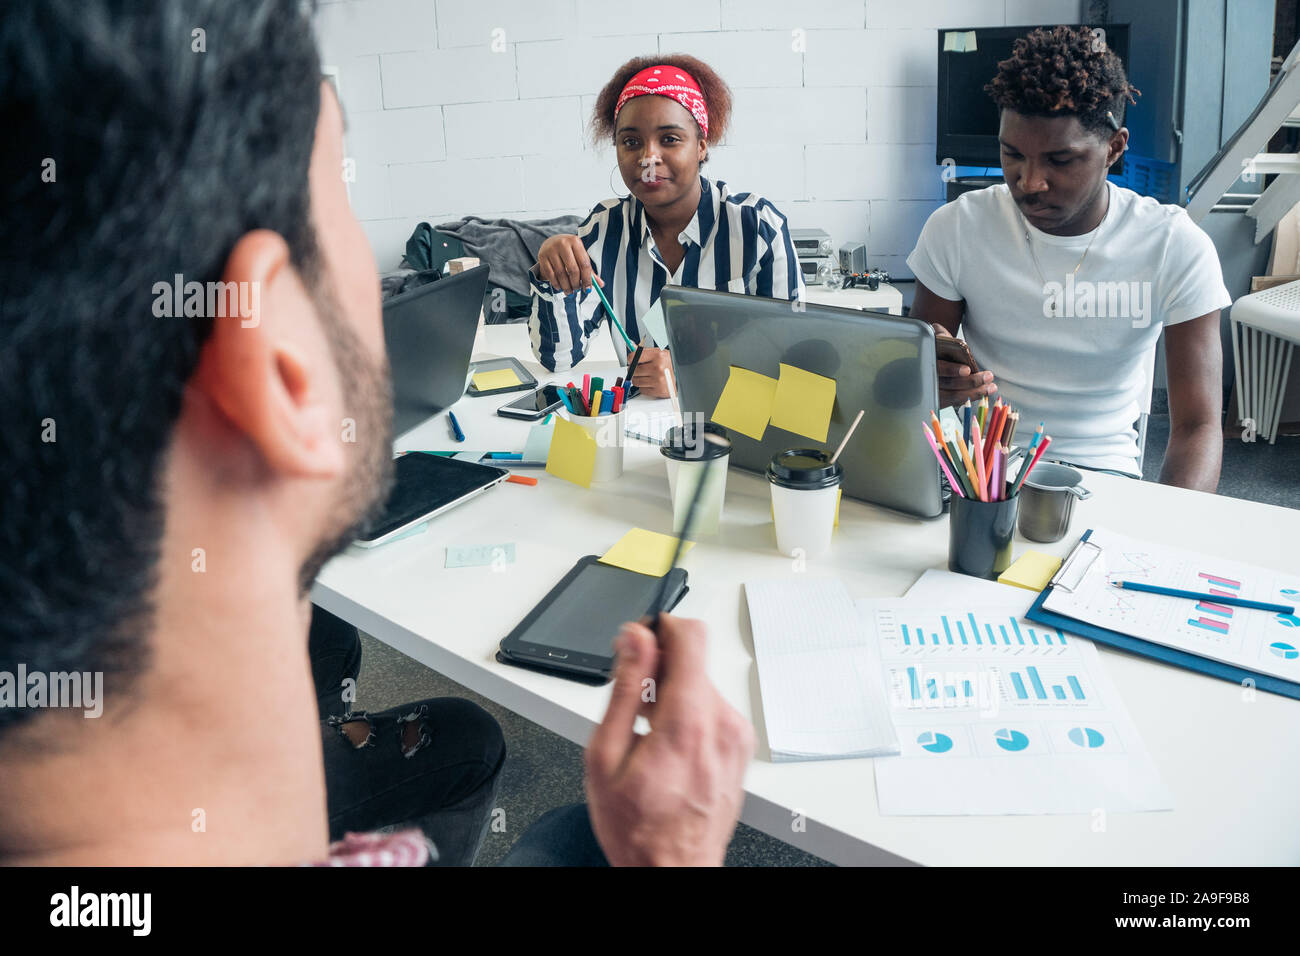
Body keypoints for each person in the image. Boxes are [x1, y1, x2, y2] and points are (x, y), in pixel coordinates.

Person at [0, 0, 753, 867]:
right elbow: (568, 355)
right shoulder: (596, 230)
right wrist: (671, 859)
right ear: (284, 364)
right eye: (346, 218)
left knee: (457, 729)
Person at [909, 26, 1230, 489]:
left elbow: (1198, 426)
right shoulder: (958, 226)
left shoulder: (1172, 245)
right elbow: (919, 376)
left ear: (1114, 149)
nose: (1030, 181)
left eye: (1059, 161)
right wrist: (935, 385)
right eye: (1011, 154)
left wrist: (1170, 537)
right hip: (980, 471)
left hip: (1101, 472)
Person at [529, 55, 805, 398]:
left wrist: (690, 374)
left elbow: (795, 366)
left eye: (670, 139)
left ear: (702, 146)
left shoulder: (758, 228)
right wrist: (550, 276)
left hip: (736, 433)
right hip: (634, 436)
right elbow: (557, 359)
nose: (648, 158)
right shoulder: (602, 233)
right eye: (631, 142)